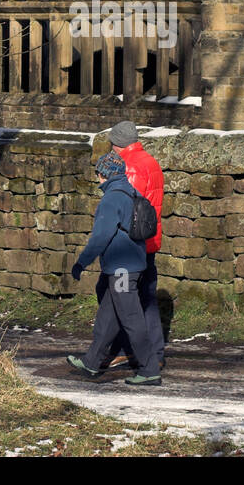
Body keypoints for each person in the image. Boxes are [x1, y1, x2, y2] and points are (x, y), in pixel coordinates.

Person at [66, 151, 161, 386]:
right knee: (108, 318)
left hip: (121, 270)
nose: (98, 179)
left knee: (131, 319)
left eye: (98, 174)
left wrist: (81, 262)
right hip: (132, 265)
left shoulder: (111, 199)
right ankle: (91, 363)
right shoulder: (131, 191)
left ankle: (149, 370)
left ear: (103, 174)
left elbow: (100, 237)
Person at [95, 120, 165, 371]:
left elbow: (124, 207)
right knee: (145, 298)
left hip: (129, 248)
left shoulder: (129, 167)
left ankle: (128, 351)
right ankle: (153, 352)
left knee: (112, 295)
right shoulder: (150, 161)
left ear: (116, 144)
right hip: (149, 242)